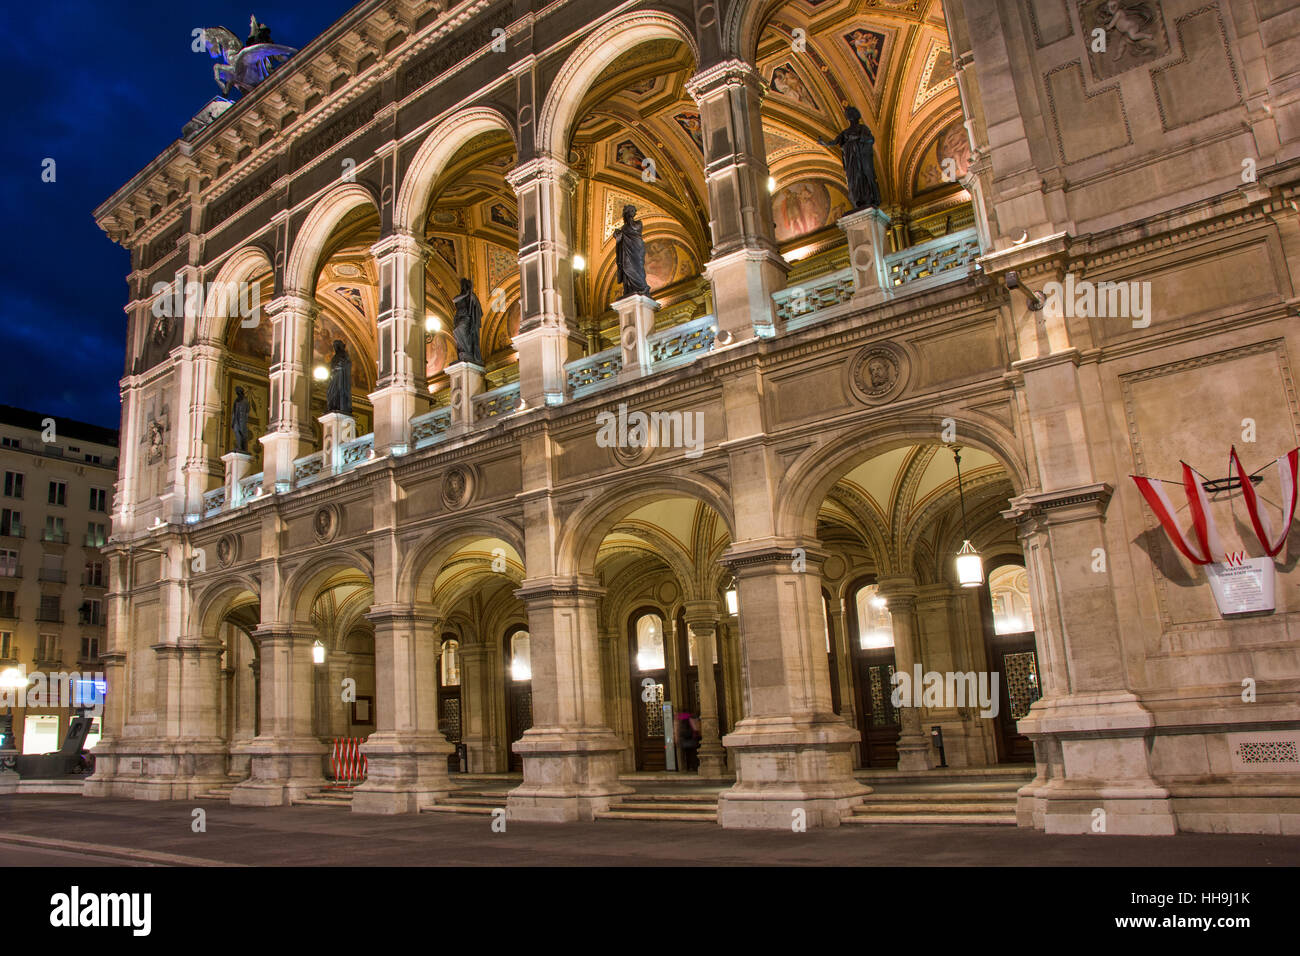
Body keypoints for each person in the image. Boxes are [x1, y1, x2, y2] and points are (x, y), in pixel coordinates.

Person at [819, 106, 882, 211]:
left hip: (861, 157)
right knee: (853, 179)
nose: (850, 116)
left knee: (864, 176)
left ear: (856, 116)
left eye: (851, 113)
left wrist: (856, 139)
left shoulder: (862, 128)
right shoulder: (845, 132)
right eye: (848, 114)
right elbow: (835, 142)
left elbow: (870, 139)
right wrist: (824, 143)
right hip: (851, 160)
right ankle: (858, 200)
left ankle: (867, 198)